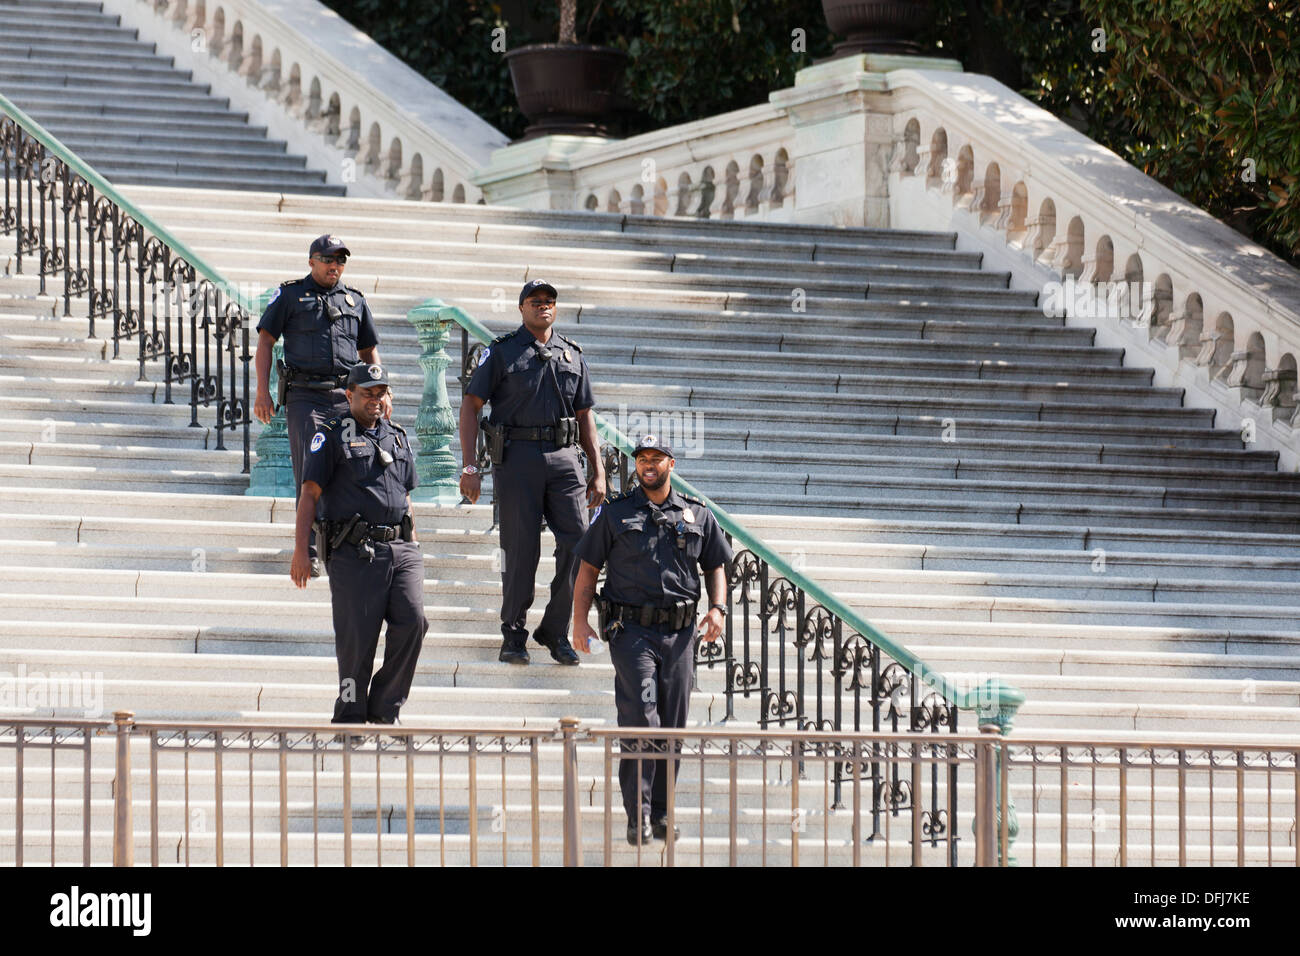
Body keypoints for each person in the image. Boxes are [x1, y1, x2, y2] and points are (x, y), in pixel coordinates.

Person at [571, 436, 732, 845]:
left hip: (680, 636)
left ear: (670, 465)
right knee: (643, 717)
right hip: (631, 634)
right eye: (641, 459)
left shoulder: (697, 514)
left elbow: (716, 565)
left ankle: (662, 813)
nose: (647, 465)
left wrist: (717, 609)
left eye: (655, 459)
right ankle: (638, 815)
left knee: (672, 728)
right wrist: (579, 622)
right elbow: (587, 570)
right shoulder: (615, 514)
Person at [459, 279, 606, 666]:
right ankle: (513, 632)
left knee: (581, 544)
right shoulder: (503, 352)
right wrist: (471, 466)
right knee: (520, 551)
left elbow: (585, 415)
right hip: (517, 458)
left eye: (550, 301)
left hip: (565, 459)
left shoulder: (572, 355)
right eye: (535, 301)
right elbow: (471, 405)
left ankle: (555, 630)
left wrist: (599, 470)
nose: (544, 306)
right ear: (521, 307)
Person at [290, 363, 426, 725]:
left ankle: (384, 708)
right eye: (367, 392)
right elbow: (309, 493)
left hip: (401, 550)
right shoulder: (329, 435)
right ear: (349, 395)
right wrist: (302, 550)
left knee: (414, 622)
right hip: (355, 553)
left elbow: (406, 493)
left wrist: (414, 543)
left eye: (381, 392)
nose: (375, 399)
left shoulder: (397, 436)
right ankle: (350, 716)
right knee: (357, 643)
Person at [255, 234, 380, 576]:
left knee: (353, 465)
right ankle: (307, 549)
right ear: (312, 261)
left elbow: (368, 350)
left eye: (340, 260)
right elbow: (266, 340)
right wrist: (262, 393)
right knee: (312, 468)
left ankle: (344, 542)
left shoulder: (355, 301)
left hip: (346, 398)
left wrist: (379, 392)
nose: (334, 266)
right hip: (305, 397)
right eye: (328, 260)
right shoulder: (291, 295)